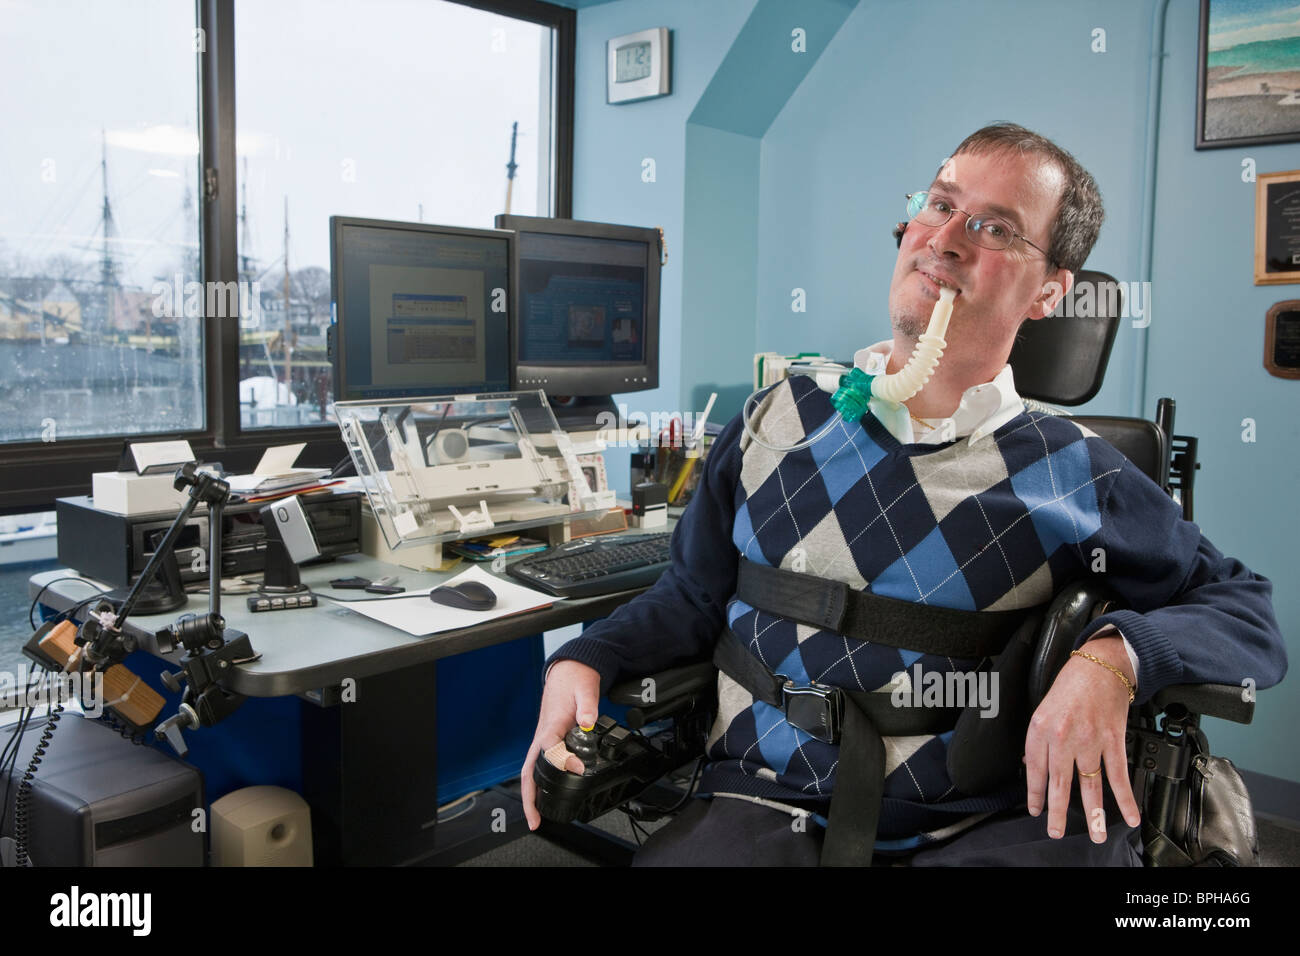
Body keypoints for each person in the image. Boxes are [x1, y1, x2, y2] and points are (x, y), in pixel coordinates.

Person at [519, 123, 1287, 866]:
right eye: (942, 204)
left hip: (981, 824)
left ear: (1051, 292)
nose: (946, 239)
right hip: (758, 801)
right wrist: (584, 659)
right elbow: (689, 594)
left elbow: (1247, 611)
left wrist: (1115, 660)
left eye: (995, 228)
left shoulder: (1080, 472)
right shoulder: (774, 419)